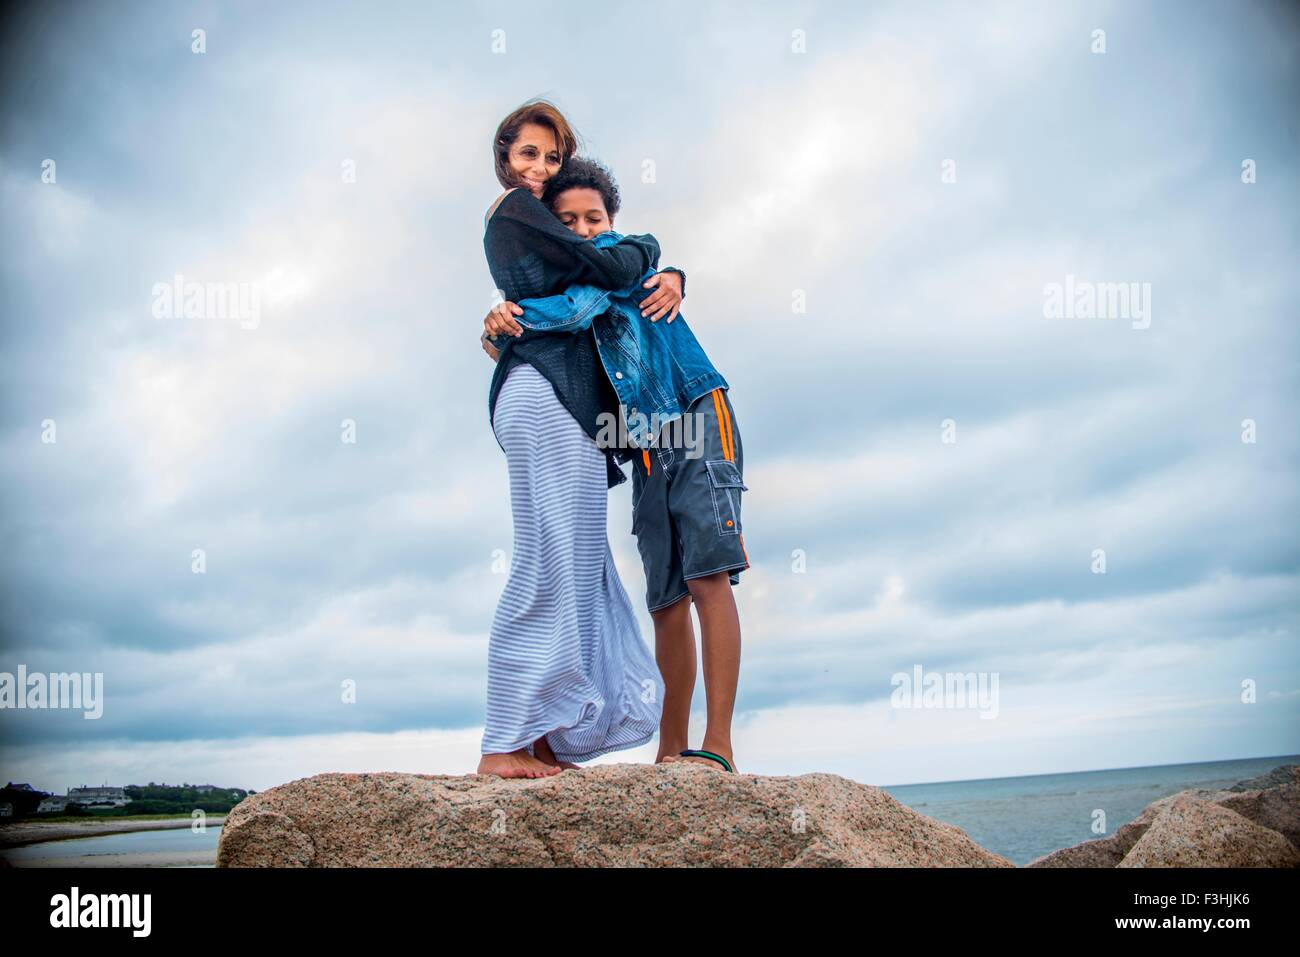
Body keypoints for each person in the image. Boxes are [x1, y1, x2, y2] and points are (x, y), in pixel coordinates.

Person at [483, 156, 749, 774]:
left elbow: (578, 308)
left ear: (612, 219)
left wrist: (508, 321)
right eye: (568, 221)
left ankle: (720, 745)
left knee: (709, 575)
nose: (583, 230)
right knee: (665, 596)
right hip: (646, 440)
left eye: (593, 217)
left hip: (693, 411)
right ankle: (671, 748)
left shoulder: (625, 259)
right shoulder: (578, 273)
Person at [475, 100, 687, 779]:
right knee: (549, 561)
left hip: (555, 398)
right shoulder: (512, 210)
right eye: (527, 153)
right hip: (546, 393)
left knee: (575, 563)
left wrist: (674, 275)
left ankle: (537, 736)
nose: (539, 168)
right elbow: (608, 268)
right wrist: (652, 250)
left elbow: (600, 277)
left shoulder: (534, 222)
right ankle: (503, 741)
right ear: (505, 157)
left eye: (552, 156)